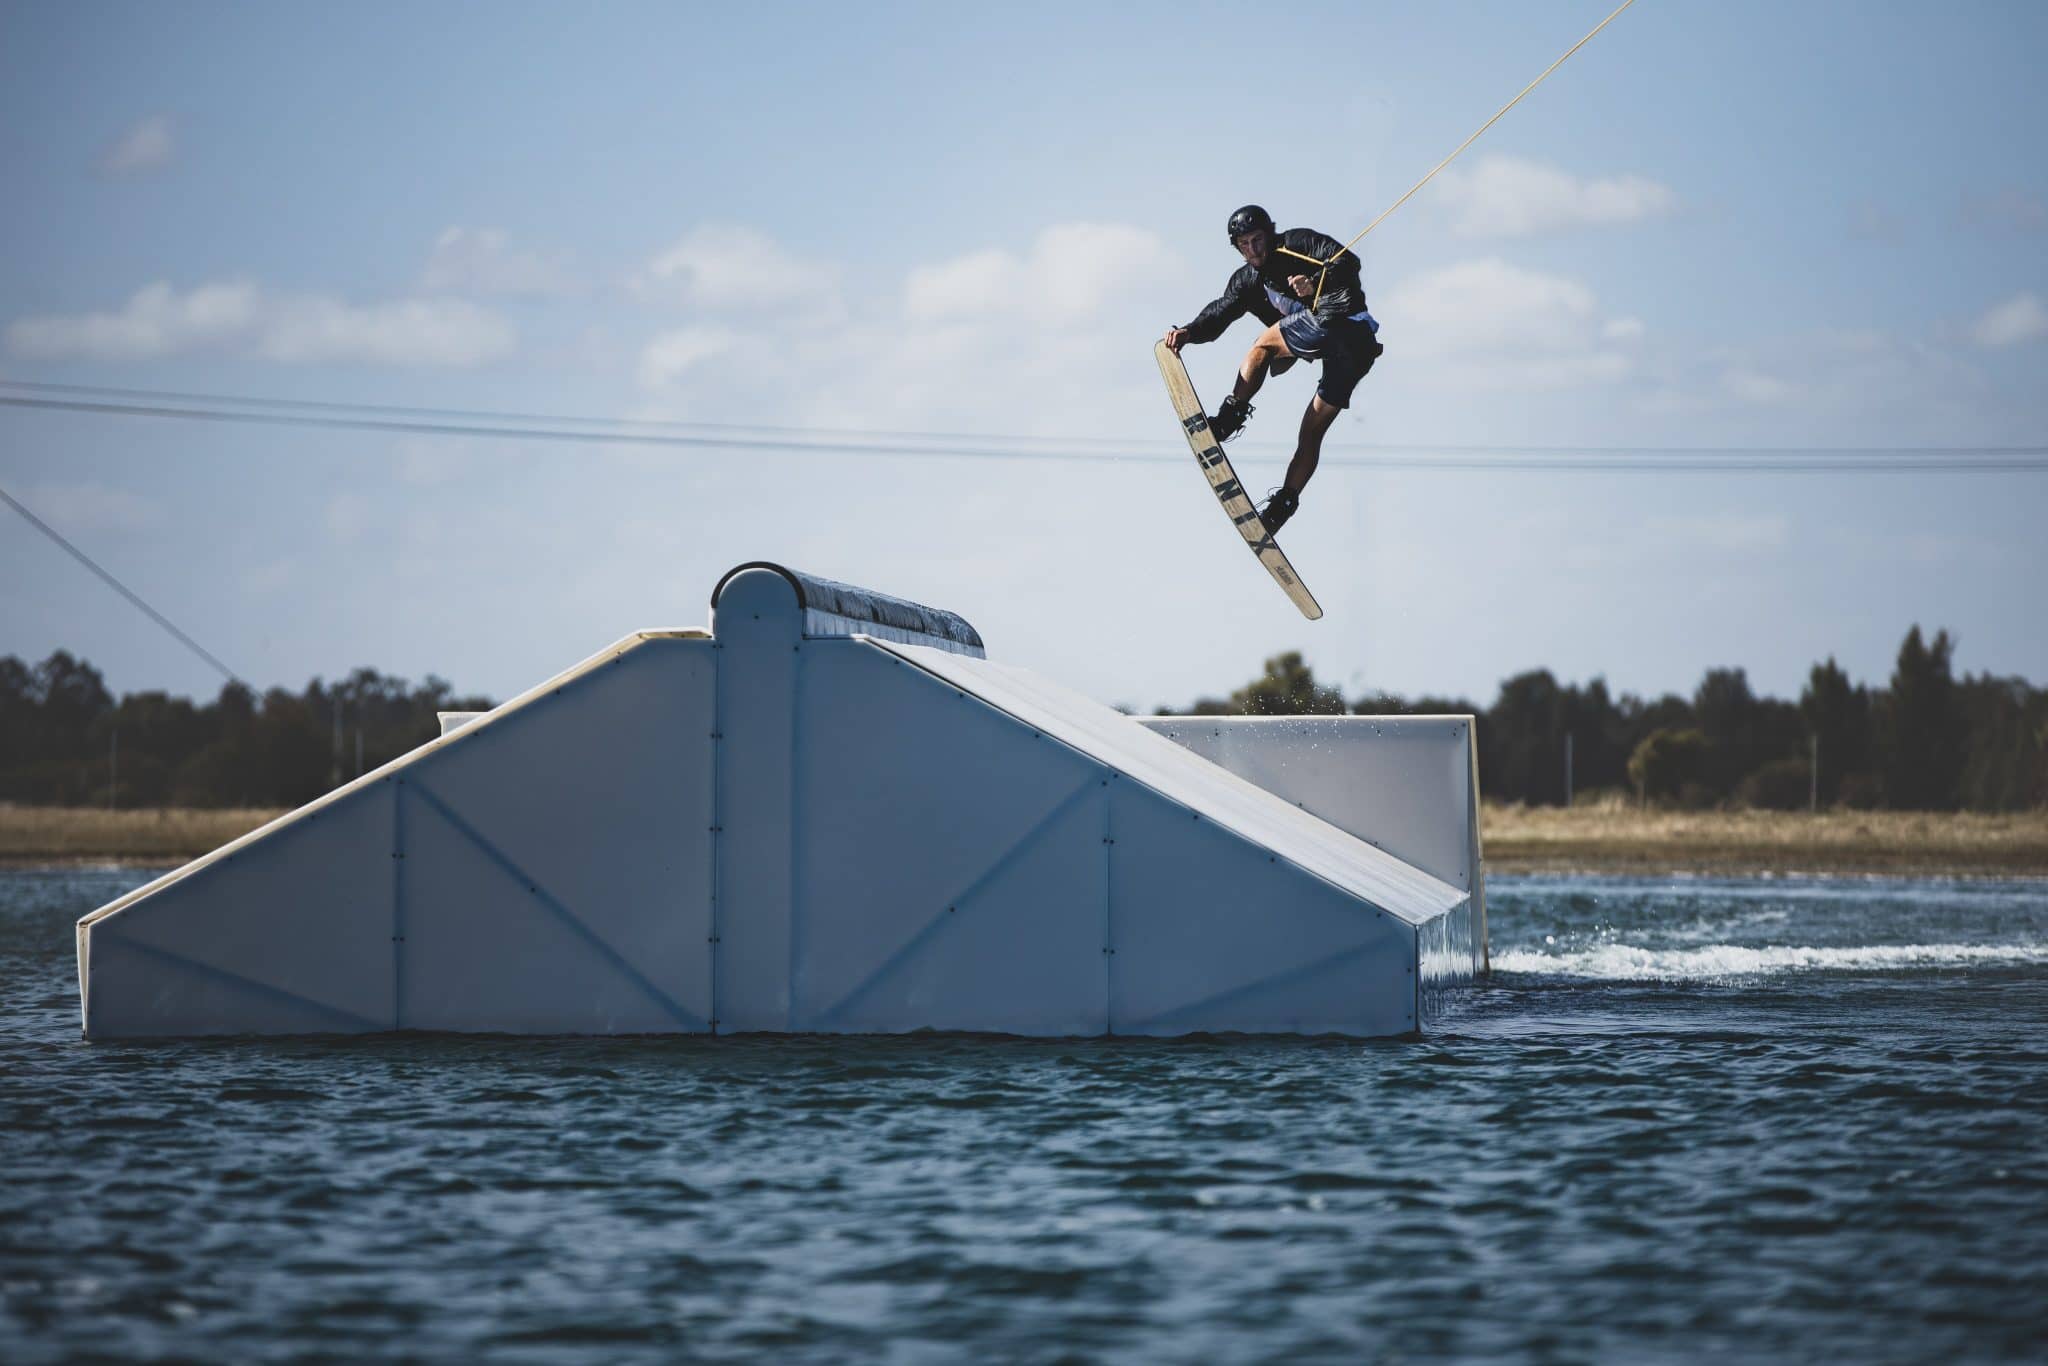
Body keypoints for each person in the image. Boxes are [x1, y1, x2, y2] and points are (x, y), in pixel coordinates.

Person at [1162, 205, 1382, 534]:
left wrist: (1315, 281)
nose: (1253, 250)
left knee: (1263, 345)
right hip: (1355, 351)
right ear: (1236, 246)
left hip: (1341, 325)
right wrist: (1190, 332)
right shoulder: (1248, 280)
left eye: (1258, 240)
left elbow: (1348, 261)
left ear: (1271, 233)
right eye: (1244, 244)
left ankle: (1227, 420)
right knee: (1311, 433)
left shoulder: (1297, 243)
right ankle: (1282, 508)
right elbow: (1221, 312)